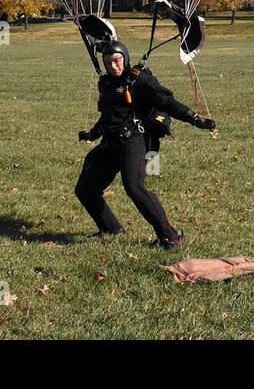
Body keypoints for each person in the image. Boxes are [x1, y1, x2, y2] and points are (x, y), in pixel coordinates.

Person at [75, 39, 215, 249]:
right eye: (108, 63)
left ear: (125, 58)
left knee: (134, 187)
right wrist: (92, 134)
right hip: (110, 143)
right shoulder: (106, 83)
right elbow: (108, 115)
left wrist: (194, 118)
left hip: (133, 141)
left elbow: (167, 102)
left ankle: (170, 236)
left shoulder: (139, 80)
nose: (114, 67)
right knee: (85, 189)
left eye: (117, 61)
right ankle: (112, 230)